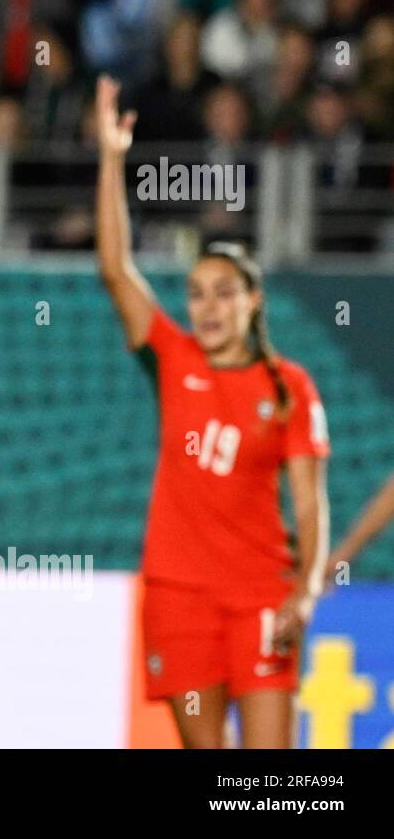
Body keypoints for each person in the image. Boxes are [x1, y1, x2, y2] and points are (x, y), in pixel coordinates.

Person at [92, 75, 331, 749]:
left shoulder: (289, 387)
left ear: (253, 301)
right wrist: (112, 157)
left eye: (224, 292)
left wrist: (305, 590)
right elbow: (116, 268)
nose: (208, 306)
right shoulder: (175, 358)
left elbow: (310, 505)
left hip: (260, 594)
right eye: (197, 293)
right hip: (179, 598)